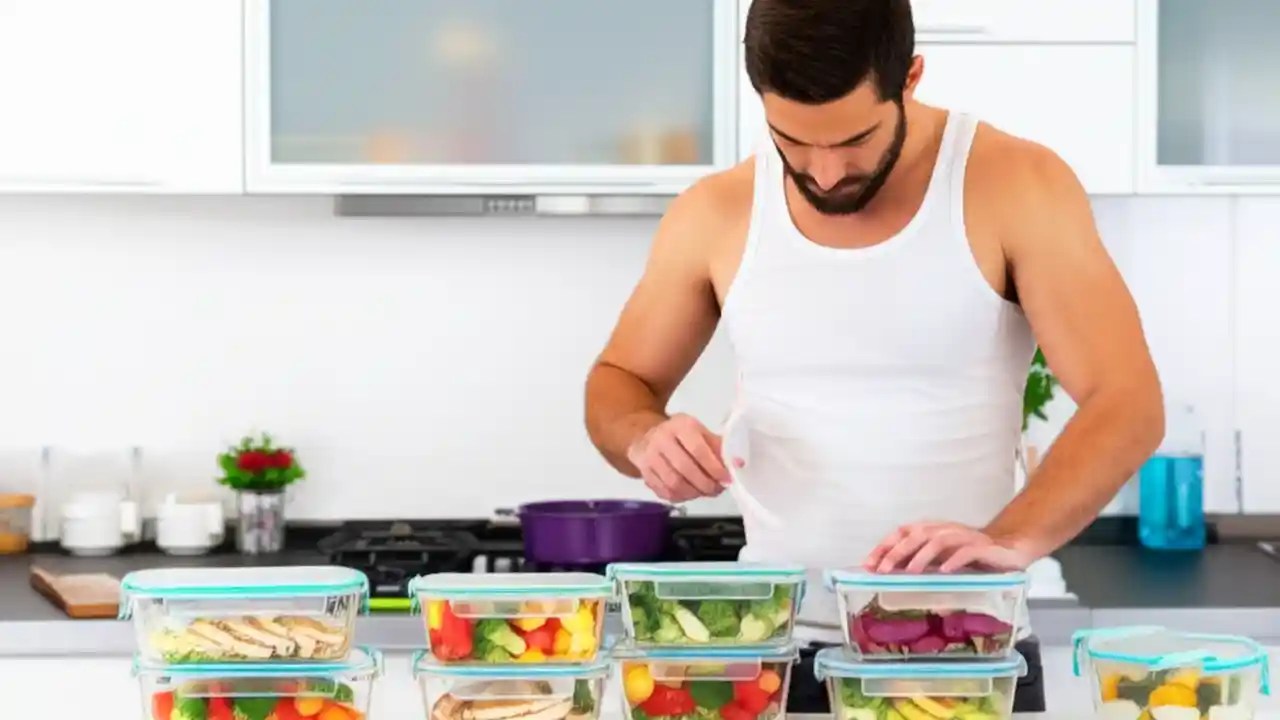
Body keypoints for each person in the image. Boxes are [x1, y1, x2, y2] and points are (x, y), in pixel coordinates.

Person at [584, 0, 1163, 712]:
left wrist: (1013, 538)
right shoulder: (715, 212)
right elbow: (619, 382)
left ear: (910, 78)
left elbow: (1128, 401)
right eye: (793, 141)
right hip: (770, 659)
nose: (826, 173)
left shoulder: (1015, 185)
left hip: (964, 657)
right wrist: (644, 436)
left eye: (854, 140)